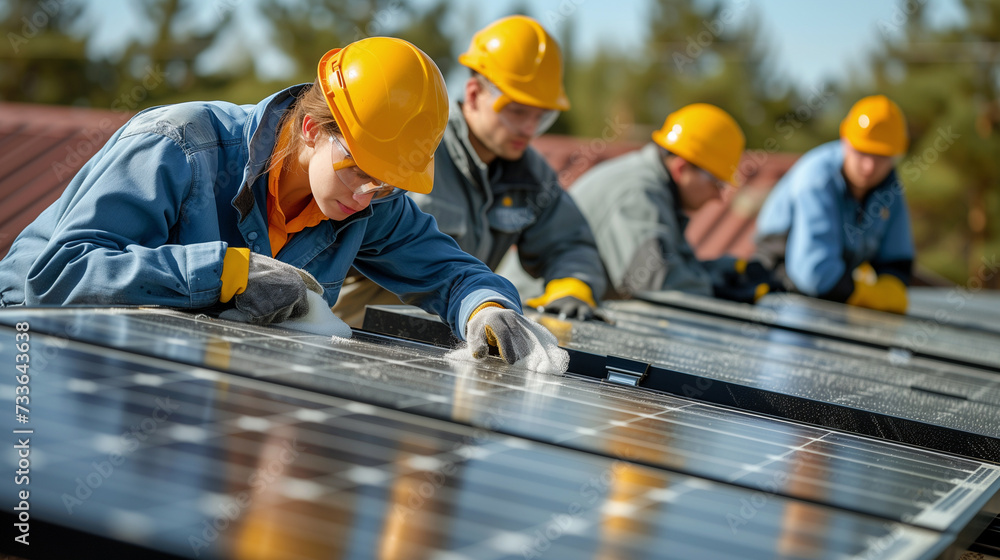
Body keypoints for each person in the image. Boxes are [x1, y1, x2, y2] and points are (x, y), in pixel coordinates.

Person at [0, 37, 561, 366]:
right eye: (359, 170)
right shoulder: (180, 146)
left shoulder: (369, 198)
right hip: (32, 348)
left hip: (164, 371)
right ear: (313, 129)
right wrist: (226, 273)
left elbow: (451, 273)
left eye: (387, 182)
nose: (367, 194)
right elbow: (59, 274)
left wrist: (485, 308)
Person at [333, 15, 606, 325]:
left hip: (453, 335)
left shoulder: (531, 177)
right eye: (517, 112)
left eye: (541, 117)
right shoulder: (413, 150)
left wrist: (572, 288)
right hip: (354, 334)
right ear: (474, 94)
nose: (529, 129)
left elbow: (568, 243)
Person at [570, 103, 764, 302]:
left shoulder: (657, 191)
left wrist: (726, 271)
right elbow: (654, 285)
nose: (719, 197)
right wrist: (715, 292)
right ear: (681, 169)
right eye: (717, 184)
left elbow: (677, 265)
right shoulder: (638, 195)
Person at [754, 94, 912, 314]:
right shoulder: (816, 178)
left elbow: (897, 259)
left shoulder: (889, 187)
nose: (869, 167)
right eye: (862, 152)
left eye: (881, 156)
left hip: (835, 295)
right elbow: (813, 273)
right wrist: (862, 295)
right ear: (845, 140)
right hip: (782, 287)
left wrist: (890, 289)